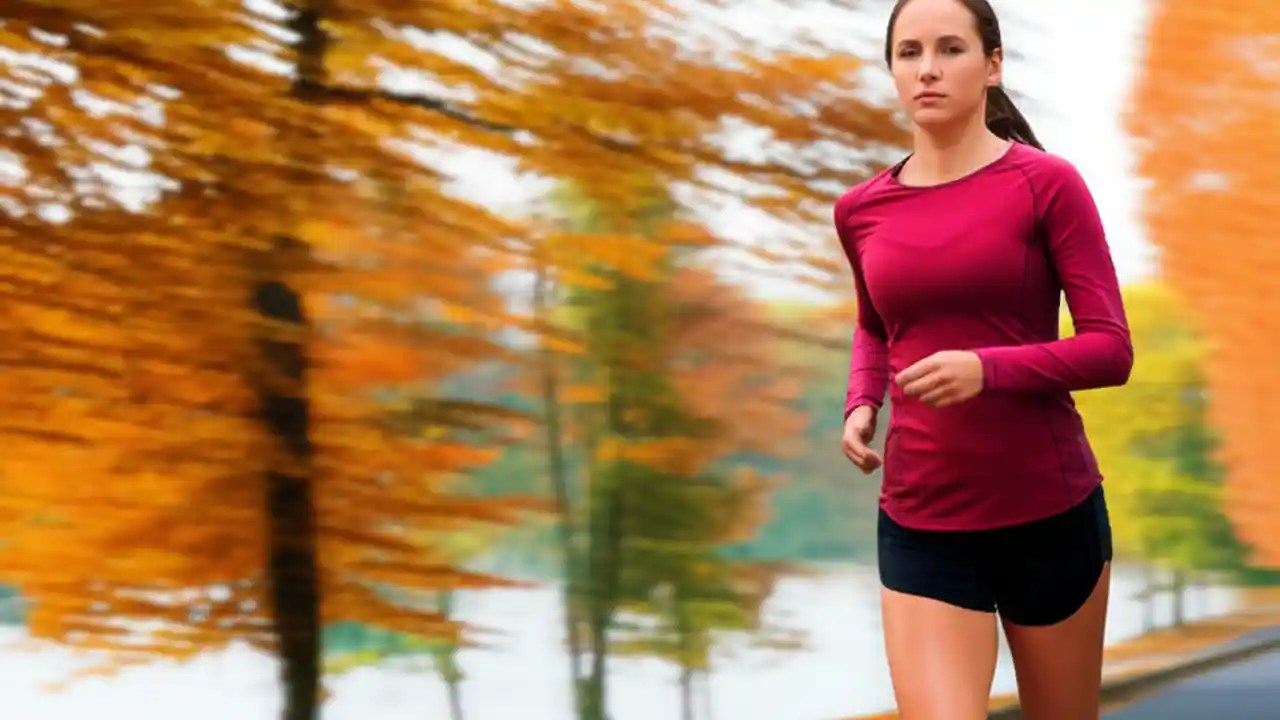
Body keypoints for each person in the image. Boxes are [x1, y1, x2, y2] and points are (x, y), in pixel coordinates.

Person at [833, 0, 1134, 718]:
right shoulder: (860, 210)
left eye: (950, 49)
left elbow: (1110, 348)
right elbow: (875, 325)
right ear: (893, 71)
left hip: (1048, 513)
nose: (928, 69)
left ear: (992, 66)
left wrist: (986, 368)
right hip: (922, 520)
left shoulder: (1046, 184)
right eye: (909, 53)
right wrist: (861, 401)